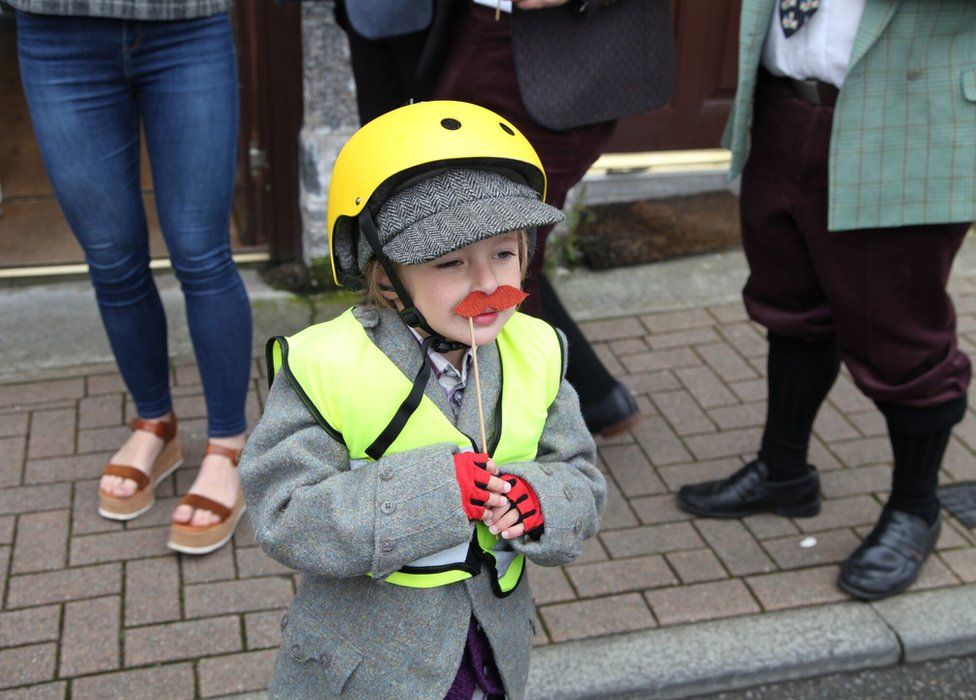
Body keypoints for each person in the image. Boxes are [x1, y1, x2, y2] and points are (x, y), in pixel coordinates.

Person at [239, 101, 606, 698]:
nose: (489, 284)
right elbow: (283, 513)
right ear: (383, 273)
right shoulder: (324, 366)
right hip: (368, 669)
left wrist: (539, 501)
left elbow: (582, 480)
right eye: (451, 262)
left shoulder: (538, 351)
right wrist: (430, 494)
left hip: (494, 652)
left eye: (505, 253)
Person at [677, 0, 976, 600]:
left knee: (902, 337)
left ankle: (916, 509)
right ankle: (784, 472)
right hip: (783, 107)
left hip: (905, 123)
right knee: (790, 310)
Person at [12, 0, 251, 554]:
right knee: (112, 257)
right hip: (55, 29)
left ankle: (228, 445)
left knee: (201, 251)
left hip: (185, 23)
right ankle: (156, 426)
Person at [431, 0, 675, 438]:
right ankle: (593, 399)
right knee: (477, 248)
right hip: (467, 30)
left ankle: (532, 429)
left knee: (508, 261)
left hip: (555, 52)